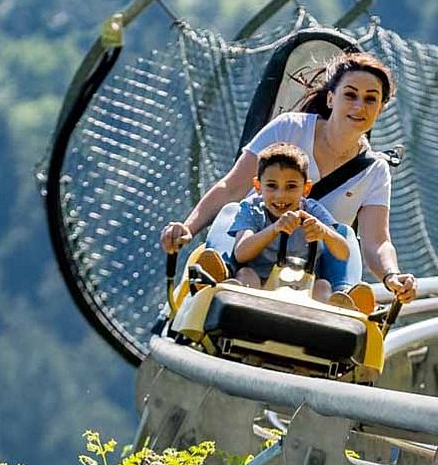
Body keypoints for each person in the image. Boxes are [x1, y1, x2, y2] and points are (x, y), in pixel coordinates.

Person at [161, 52, 420, 304]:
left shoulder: (374, 170)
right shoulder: (289, 128)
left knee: (346, 237)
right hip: (252, 244)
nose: (359, 106)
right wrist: (188, 228)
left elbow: (377, 241)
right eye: (350, 95)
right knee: (232, 211)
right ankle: (220, 272)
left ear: (380, 108)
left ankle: (343, 298)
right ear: (331, 99)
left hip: (308, 266)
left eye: (370, 99)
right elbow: (232, 187)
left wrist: (392, 275)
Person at [224, 143, 355, 304]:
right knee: (245, 274)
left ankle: (342, 307)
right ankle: (231, 300)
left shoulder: (313, 211)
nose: (281, 195)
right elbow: (241, 253)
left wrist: (323, 232)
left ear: (306, 189)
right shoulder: (252, 209)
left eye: (291, 186)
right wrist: (275, 228)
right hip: (261, 285)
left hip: (303, 289)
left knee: (323, 286)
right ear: (258, 186)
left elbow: (344, 254)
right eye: (272, 186)